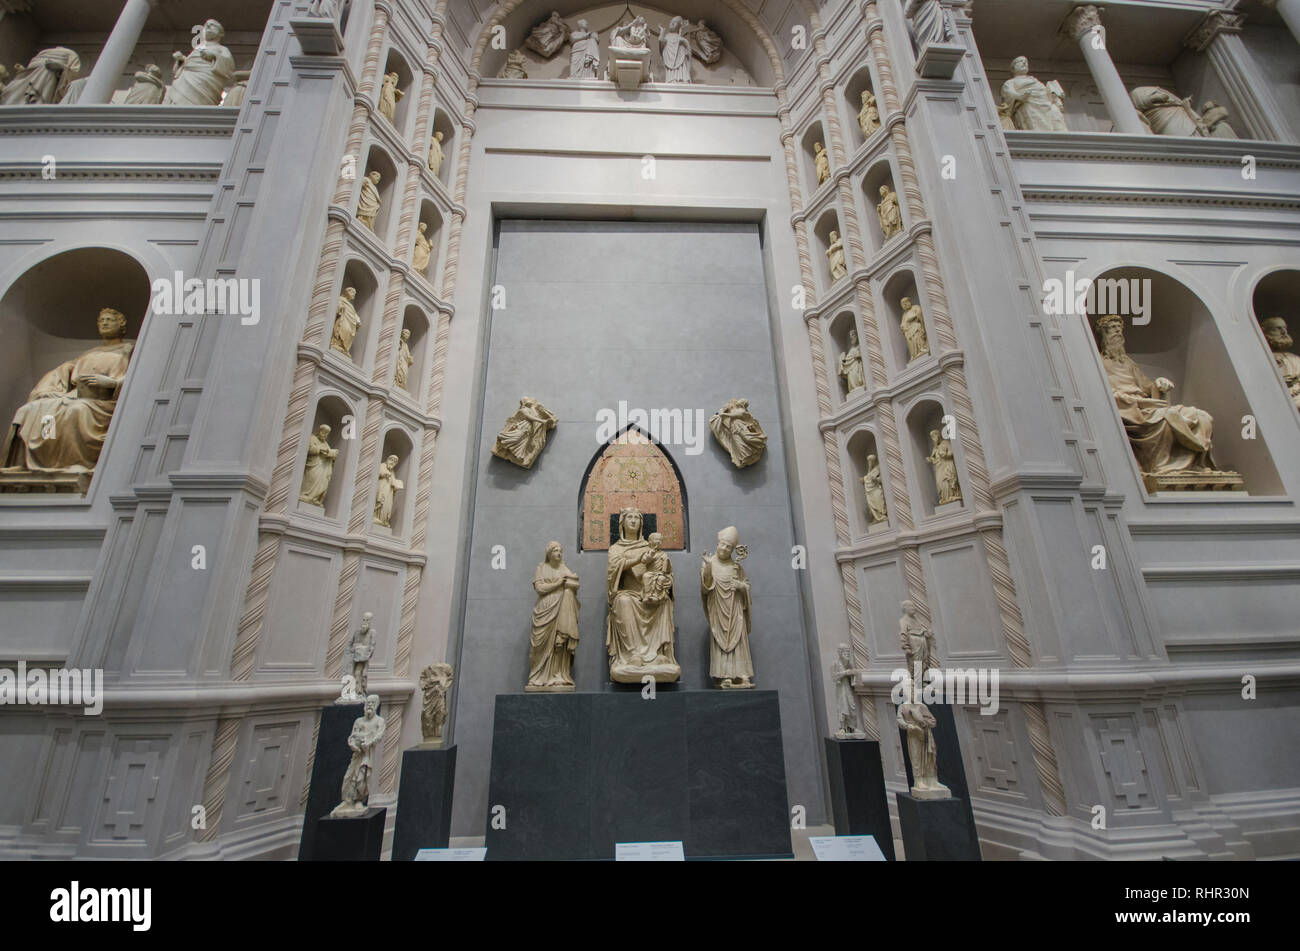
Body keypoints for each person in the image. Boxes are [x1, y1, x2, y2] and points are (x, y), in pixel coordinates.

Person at [4, 308, 133, 473]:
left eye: (109, 320)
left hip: (104, 401)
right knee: (37, 411)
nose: (104, 323)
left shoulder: (129, 349)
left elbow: (139, 378)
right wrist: (49, 389)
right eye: (101, 321)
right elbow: (63, 371)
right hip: (76, 396)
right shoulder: (89, 353)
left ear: (122, 325)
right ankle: (42, 459)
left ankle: (78, 462)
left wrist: (113, 383)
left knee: (77, 410)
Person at [702, 526, 753, 688]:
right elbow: (705, 587)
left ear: (732, 550)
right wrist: (708, 569)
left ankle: (742, 674)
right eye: (722, 544)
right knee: (721, 641)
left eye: (728, 547)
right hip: (718, 609)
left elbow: (746, 585)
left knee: (739, 640)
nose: (724, 549)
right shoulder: (709, 563)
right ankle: (724, 675)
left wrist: (740, 586)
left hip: (735, 609)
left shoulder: (736, 567)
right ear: (718, 544)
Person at [528, 542, 581, 689]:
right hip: (544, 610)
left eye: (560, 551)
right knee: (540, 645)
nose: (559, 553)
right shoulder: (541, 568)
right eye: (555, 551)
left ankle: (558, 675)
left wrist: (571, 583)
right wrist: (558, 583)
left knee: (559, 645)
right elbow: (540, 588)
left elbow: (574, 583)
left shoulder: (564, 568)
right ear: (549, 554)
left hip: (561, 610)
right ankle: (537, 676)